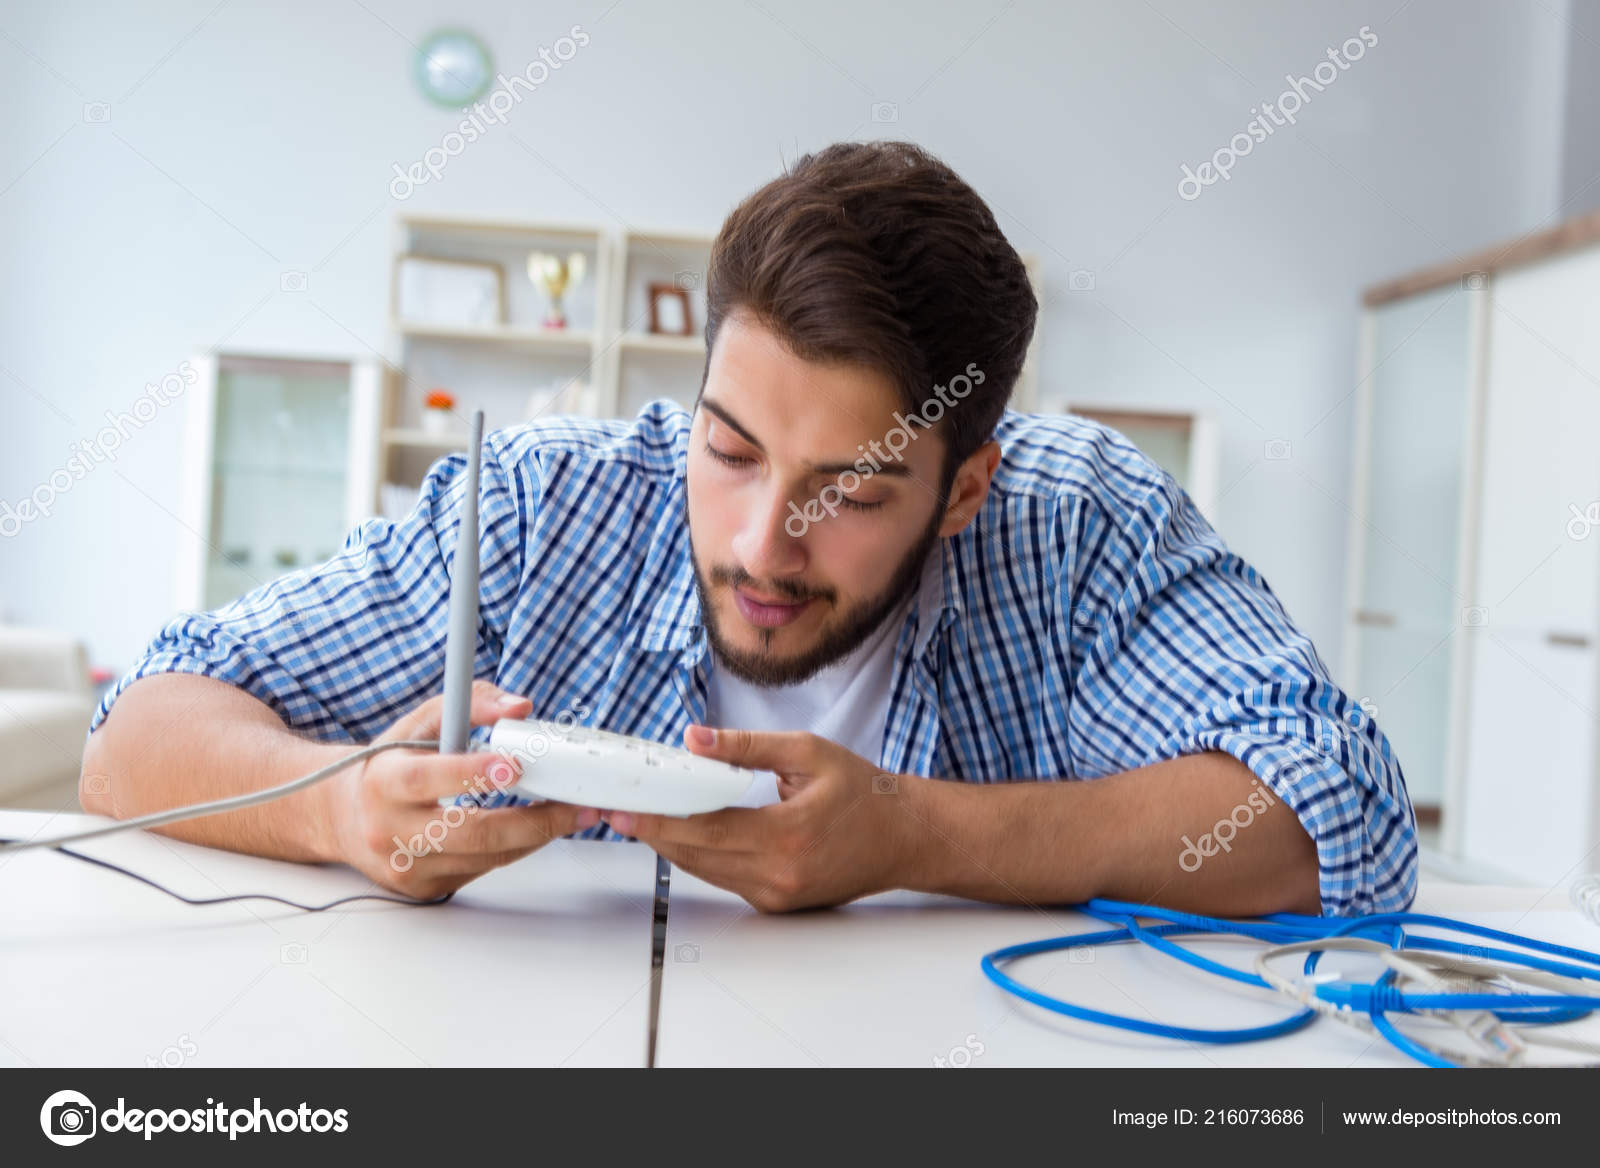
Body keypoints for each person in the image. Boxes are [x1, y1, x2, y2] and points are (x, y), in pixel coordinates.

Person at [81, 140, 1416, 917]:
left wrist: (913, 835)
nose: (765, 544)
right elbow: (133, 736)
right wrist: (339, 811)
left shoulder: (1076, 523)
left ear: (964, 489)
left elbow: (1341, 809)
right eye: (729, 451)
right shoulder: (545, 507)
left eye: (853, 491)